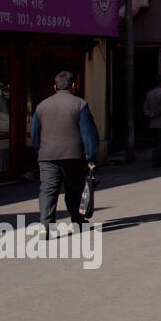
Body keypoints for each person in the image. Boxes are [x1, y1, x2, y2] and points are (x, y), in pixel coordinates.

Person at [32, 71, 99, 238]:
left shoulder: (41, 106)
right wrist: (91, 156)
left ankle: (46, 225)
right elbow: (88, 133)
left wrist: (39, 149)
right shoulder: (80, 104)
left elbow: (35, 134)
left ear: (55, 86)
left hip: (47, 155)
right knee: (74, 188)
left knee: (48, 190)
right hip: (73, 155)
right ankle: (77, 222)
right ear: (74, 85)